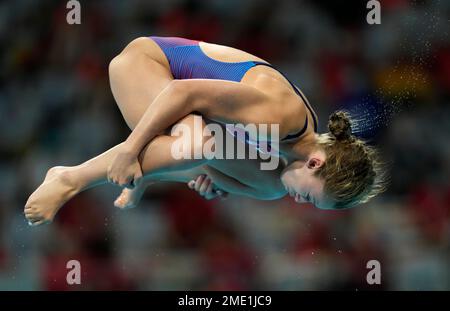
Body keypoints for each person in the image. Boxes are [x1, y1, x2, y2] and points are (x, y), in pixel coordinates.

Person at [24, 36, 385, 226]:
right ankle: (70, 177)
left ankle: (141, 178)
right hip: (147, 65)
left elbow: (202, 159)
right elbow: (186, 92)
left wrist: (206, 181)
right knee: (198, 144)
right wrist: (130, 150)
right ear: (316, 163)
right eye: (309, 197)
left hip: (184, 109)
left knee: (266, 187)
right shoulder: (279, 120)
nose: (300, 204)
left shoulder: (281, 164)